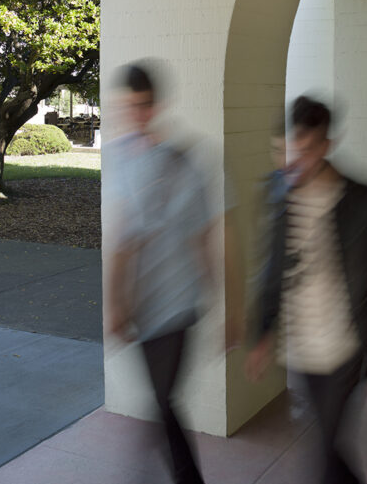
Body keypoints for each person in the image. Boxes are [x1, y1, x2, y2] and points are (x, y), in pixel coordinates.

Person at [246, 96, 367, 484]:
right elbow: (271, 268)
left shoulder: (362, 201)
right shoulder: (280, 193)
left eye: (309, 149)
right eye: (295, 146)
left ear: (327, 145)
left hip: (345, 348)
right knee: (330, 447)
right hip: (301, 348)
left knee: (325, 453)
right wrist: (263, 333)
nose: (299, 158)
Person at [105, 63, 217, 484]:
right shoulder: (120, 157)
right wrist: (117, 302)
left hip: (179, 302)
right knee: (161, 400)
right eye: (127, 106)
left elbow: (202, 233)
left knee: (163, 400)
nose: (134, 115)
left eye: (141, 106)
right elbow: (122, 238)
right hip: (143, 304)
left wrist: (213, 288)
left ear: (154, 107)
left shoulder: (184, 162)